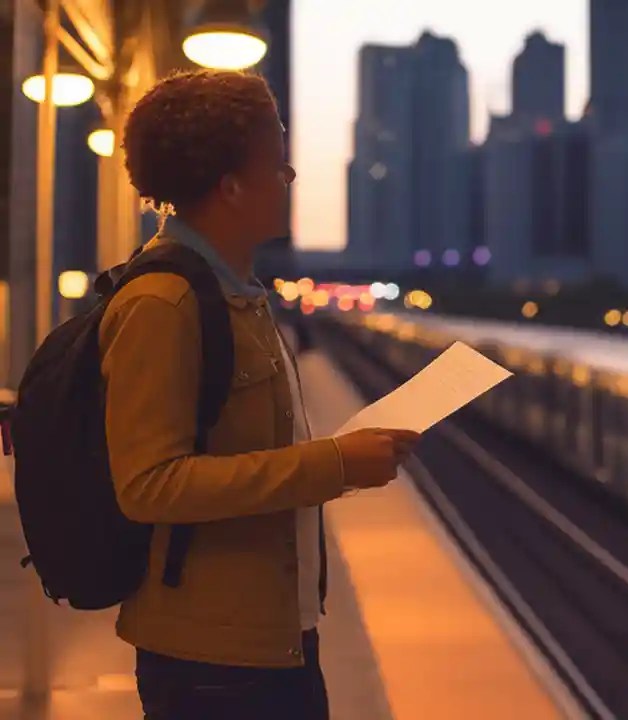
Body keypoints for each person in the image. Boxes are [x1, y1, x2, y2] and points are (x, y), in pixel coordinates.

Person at [104, 69, 418, 719]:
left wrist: (349, 458)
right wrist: (332, 465)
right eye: (278, 165)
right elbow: (147, 485)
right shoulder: (164, 303)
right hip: (211, 665)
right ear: (232, 187)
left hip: (273, 641)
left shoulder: (238, 296)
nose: (290, 179)